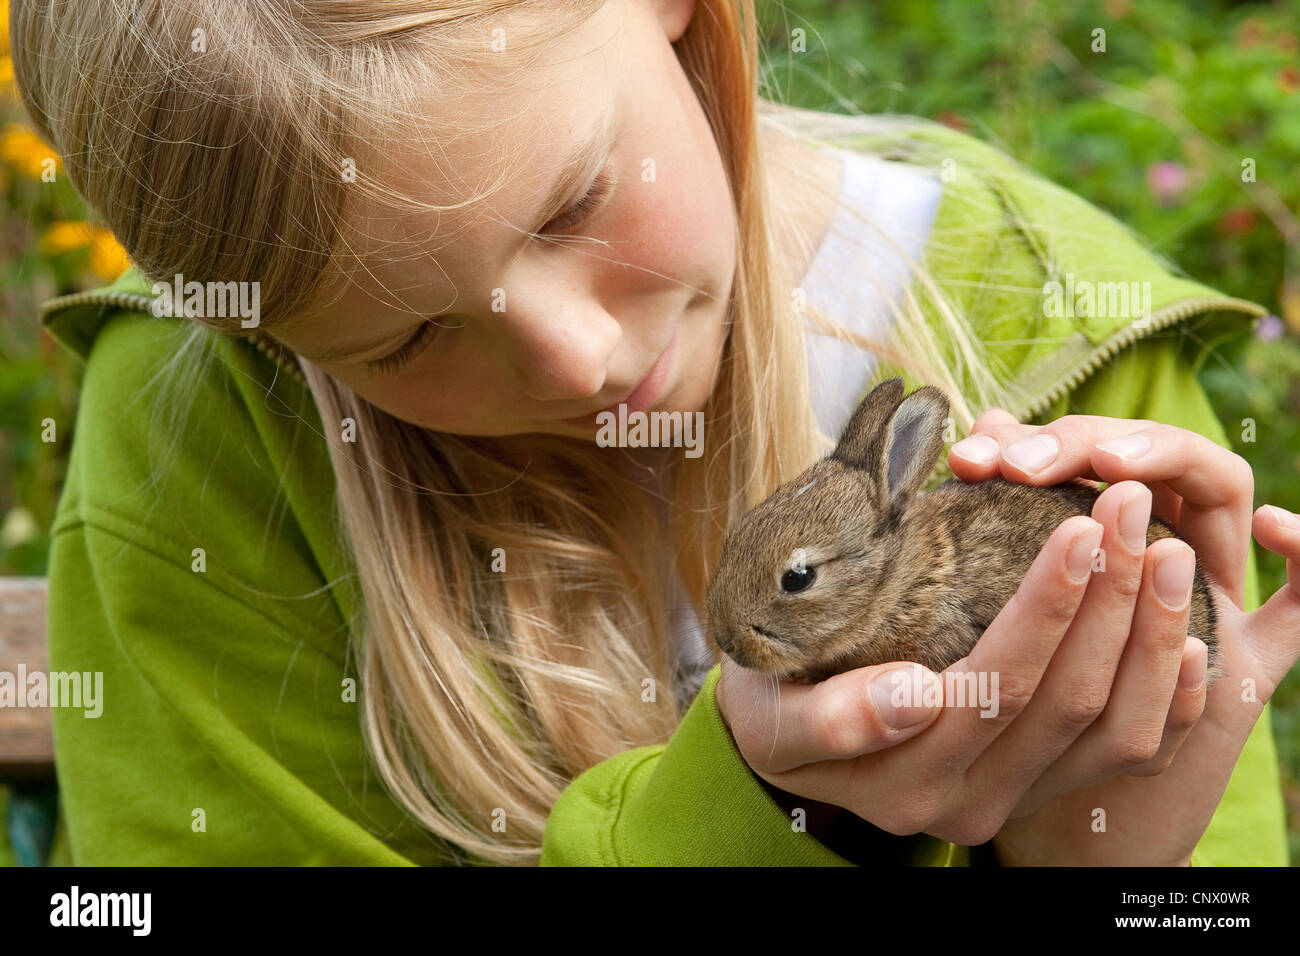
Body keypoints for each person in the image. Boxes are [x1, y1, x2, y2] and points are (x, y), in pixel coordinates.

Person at [12, 0, 1298, 866]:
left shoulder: (1064, 340)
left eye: (571, 202)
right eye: (402, 339)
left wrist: (1106, 839)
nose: (580, 356)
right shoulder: (204, 443)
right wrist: (750, 816)